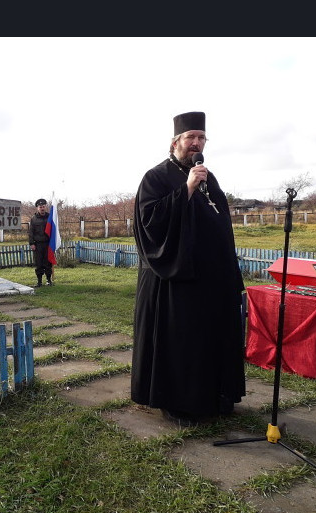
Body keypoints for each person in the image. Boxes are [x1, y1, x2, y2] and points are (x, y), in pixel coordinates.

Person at [131, 111, 246, 425]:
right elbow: (149, 223)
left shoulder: (209, 176)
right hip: (174, 279)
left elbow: (219, 222)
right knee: (181, 341)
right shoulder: (155, 177)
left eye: (201, 137)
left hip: (209, 277)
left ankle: (214, 395)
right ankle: (177, 402)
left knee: (210, 337)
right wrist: (187, 190)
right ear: (174, 143)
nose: (196, 143)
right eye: (190, 137)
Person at [27, 198, 53, 287]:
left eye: (43, 206)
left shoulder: (50, 217)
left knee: (48, 263)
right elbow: (31, 232)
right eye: (40, 207)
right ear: (37, 208)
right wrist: (31, 243)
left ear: (45, 207)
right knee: (39, 264)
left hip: (48, 244)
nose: (42, 208)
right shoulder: (34, 219)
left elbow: (53, 231)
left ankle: (49, 281)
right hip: (38, 245)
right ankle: (39, 282)